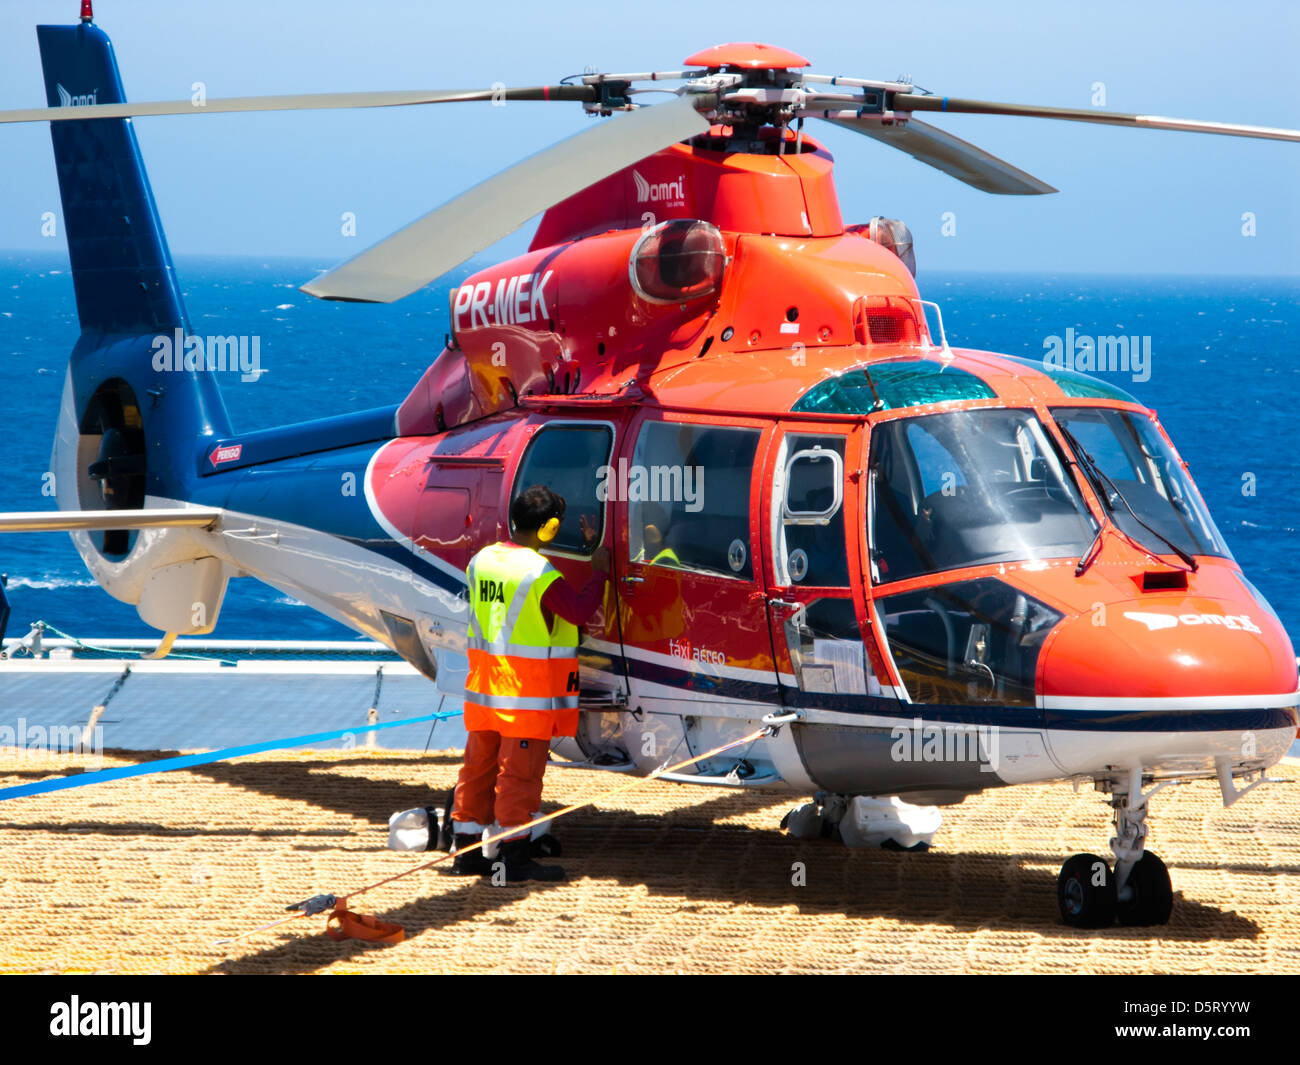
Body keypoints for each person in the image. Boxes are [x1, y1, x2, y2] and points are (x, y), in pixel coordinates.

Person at [451, 485, 610, 882]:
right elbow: (576, 611)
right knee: (518, 776)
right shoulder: (539, 572)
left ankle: (467, 851)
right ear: (549, 529)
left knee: (478, 769)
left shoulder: (482, 560)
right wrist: (599, 569)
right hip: (523, 696)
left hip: (484, 689)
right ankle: (514, 857)